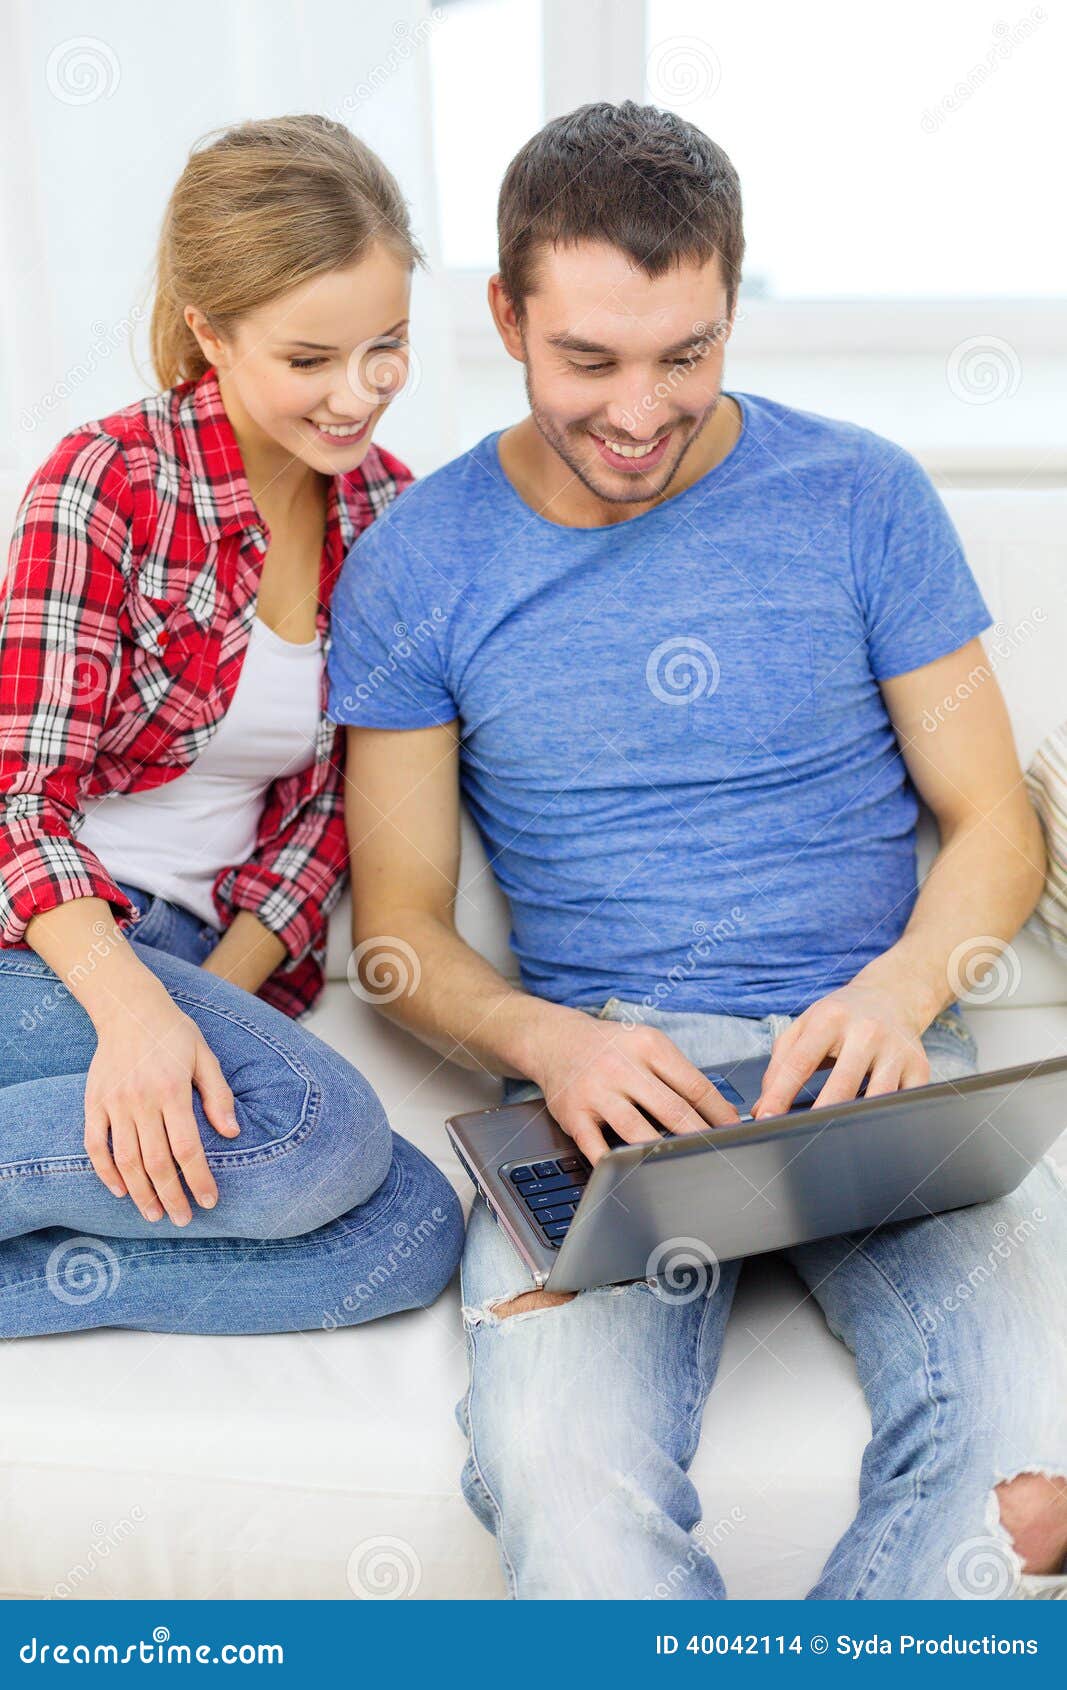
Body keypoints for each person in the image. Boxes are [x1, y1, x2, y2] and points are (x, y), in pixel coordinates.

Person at [326, 101, 1067, 1599]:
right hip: (608, 1087)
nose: (638, 412)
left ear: (730, 306)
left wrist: (897, 989)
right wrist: (550, 1045)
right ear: (504, 317)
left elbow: (994, 823)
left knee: (1032, 1489)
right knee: (563, 1485)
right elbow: (396, 931)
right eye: (588, 360)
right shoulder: (416, 563)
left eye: (685, 354)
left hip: (875, 1062)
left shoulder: (860, 495)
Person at [0, 114, 462, 1337]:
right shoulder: (108, 484)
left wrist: (202, 1018)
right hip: (44, 944)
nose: (358, 393)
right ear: (209, 331)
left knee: (412, 1231)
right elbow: (19, 803)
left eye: (386, 347)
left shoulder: (387, 518)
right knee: (317, 1133)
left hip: (194, 956)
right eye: (310, 358)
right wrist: (133, 1015)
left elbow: (321, 829)